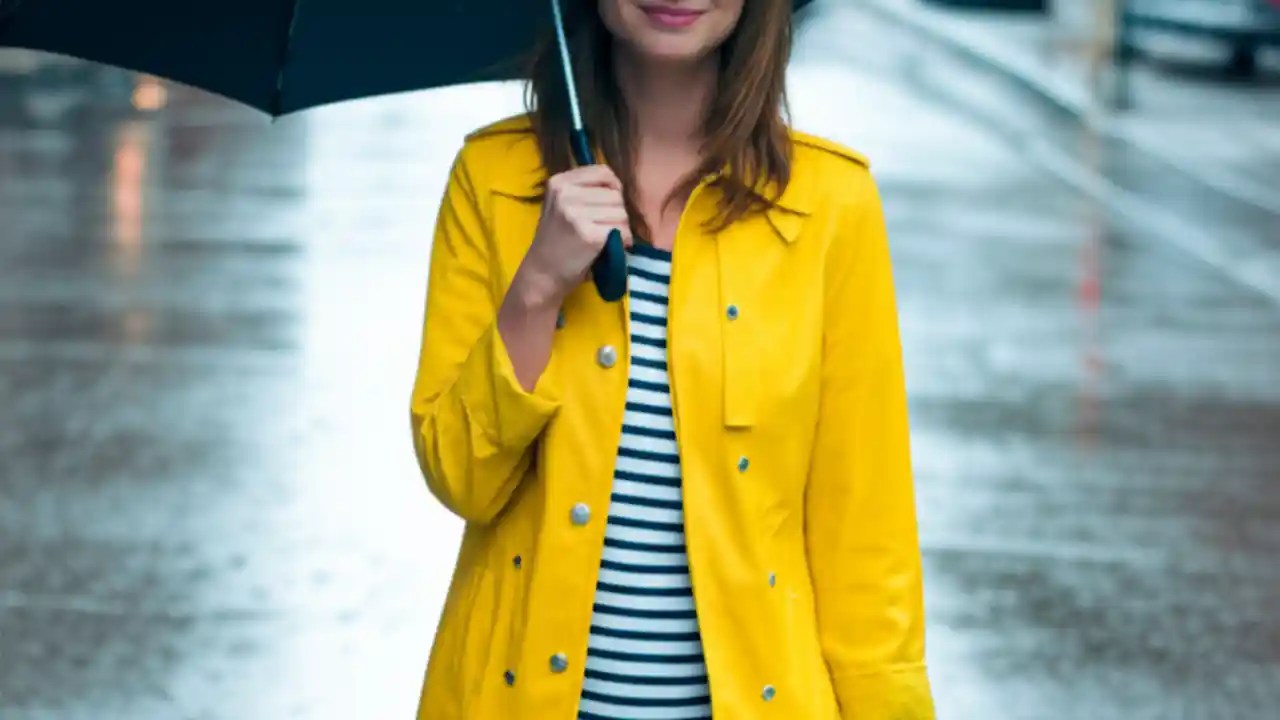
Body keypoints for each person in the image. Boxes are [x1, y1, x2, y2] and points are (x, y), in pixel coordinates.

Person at [408, 1, 935, 718]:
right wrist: (535, 288)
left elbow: (867, 535)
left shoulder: (829, 206)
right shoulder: (493, 179)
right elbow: (460, 477)